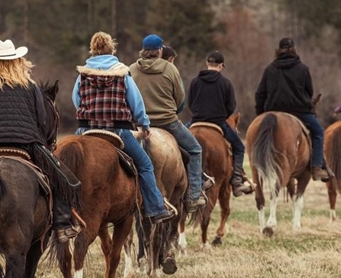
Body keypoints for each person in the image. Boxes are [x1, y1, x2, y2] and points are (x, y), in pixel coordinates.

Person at [0, 39, 81, 242]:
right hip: (27, 145)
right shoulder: (31, 86)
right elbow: (42, 120)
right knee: (63, 179)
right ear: (18, 61)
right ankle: (62, 224)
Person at [72, 31, 175, 224]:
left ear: (92, 50)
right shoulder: (122, 73)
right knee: (145, 165)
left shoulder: (83, 75)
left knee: (68, 166)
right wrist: (144, 123)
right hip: (117, 131)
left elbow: (76, 100)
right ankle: (155, 209)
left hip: (87, 131)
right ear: (112, 49)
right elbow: (136, 103)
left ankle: (64, 212)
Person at [129, 34, 211, 212]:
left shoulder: (132, 69)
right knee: (195, 149)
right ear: (160, 50)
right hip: (167, 122)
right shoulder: (170, 68)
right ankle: (194, 195)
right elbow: (180, 99)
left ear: (143, 51)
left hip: (139, 125)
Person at [255, 37, 331, 181]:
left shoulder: (269, 69)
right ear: (293, 49)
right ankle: (316, 167)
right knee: (318, 132)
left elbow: (260, 94)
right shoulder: (303, 69)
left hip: (273, 111)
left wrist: (260, 114)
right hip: (299, 111)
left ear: (279, 50)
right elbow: (309, 91)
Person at [187, 51, 254, 197]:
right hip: (217, 122)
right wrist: (220, 114)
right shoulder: (226, 83)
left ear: (207, 63)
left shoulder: (195, 81)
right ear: (221, 66)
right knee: (239, 148)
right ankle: (237, 181)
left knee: (177, 142)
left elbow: (190, 103)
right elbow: (231, 107)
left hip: (196, 121)